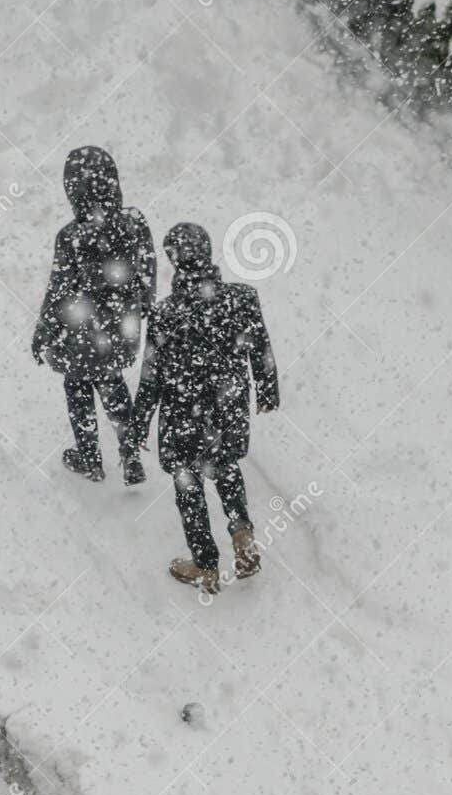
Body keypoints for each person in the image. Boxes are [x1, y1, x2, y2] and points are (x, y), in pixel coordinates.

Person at [131, 222, 280, 594]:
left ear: (174, 259)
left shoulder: (166, 313)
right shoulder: (241, 297)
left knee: (188, 480)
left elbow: (151, 375)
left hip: (183, 410)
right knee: (226, 466)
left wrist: (139, 424)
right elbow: (260, 345)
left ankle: (206, 565)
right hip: (227, 405)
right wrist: (266, 388)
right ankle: (243, 535)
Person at [31, 146, 156, 486]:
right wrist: (144, 301)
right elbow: (147, 267)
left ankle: (89, 456)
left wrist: (43, 332)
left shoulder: (71, 236)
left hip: (80, 329)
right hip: (120, 326)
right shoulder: (134, 222)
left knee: (77, 386)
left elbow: (58, 290)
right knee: (111, 381)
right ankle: (129, 454)